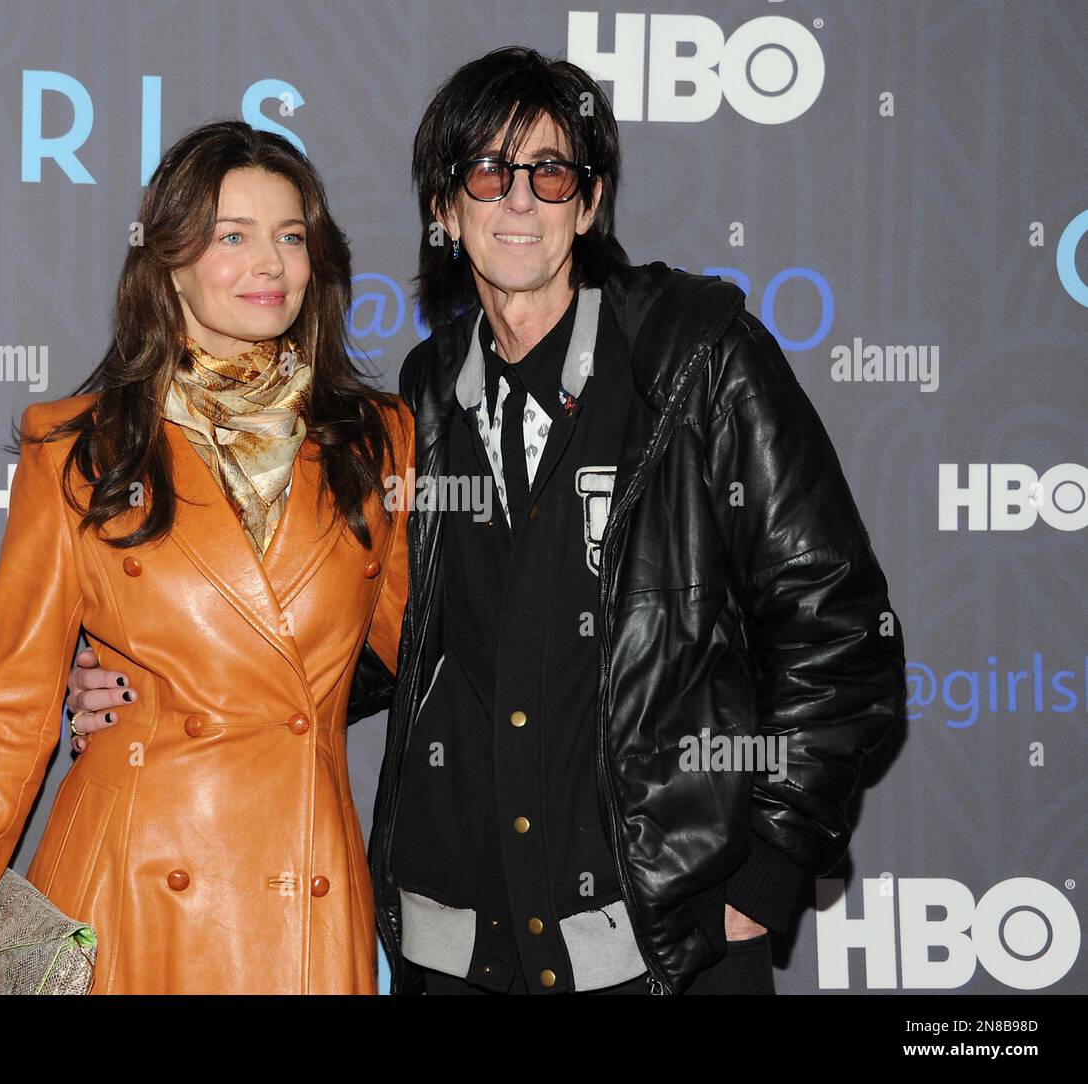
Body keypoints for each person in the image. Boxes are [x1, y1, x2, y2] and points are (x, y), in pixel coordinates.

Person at [71, 47, 907, 996]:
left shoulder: (694, 362)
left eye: (551, 173)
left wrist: (767, 868)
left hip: (661, 947)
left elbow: (840, 631)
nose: (519, 202)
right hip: (453, 946)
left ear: (588, 205)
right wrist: (164, 676)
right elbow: (384, 636)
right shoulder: (423, 403)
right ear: (444, 208)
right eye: (487, 174)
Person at [0, 120, 411, 994]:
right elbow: (8, 714)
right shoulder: (79, 450)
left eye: (291, 237)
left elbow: (434, 664)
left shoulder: (378, 443)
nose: (271, 264)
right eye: (231, 237)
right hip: (131, 896)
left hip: (307, 902)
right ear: (167, 260)